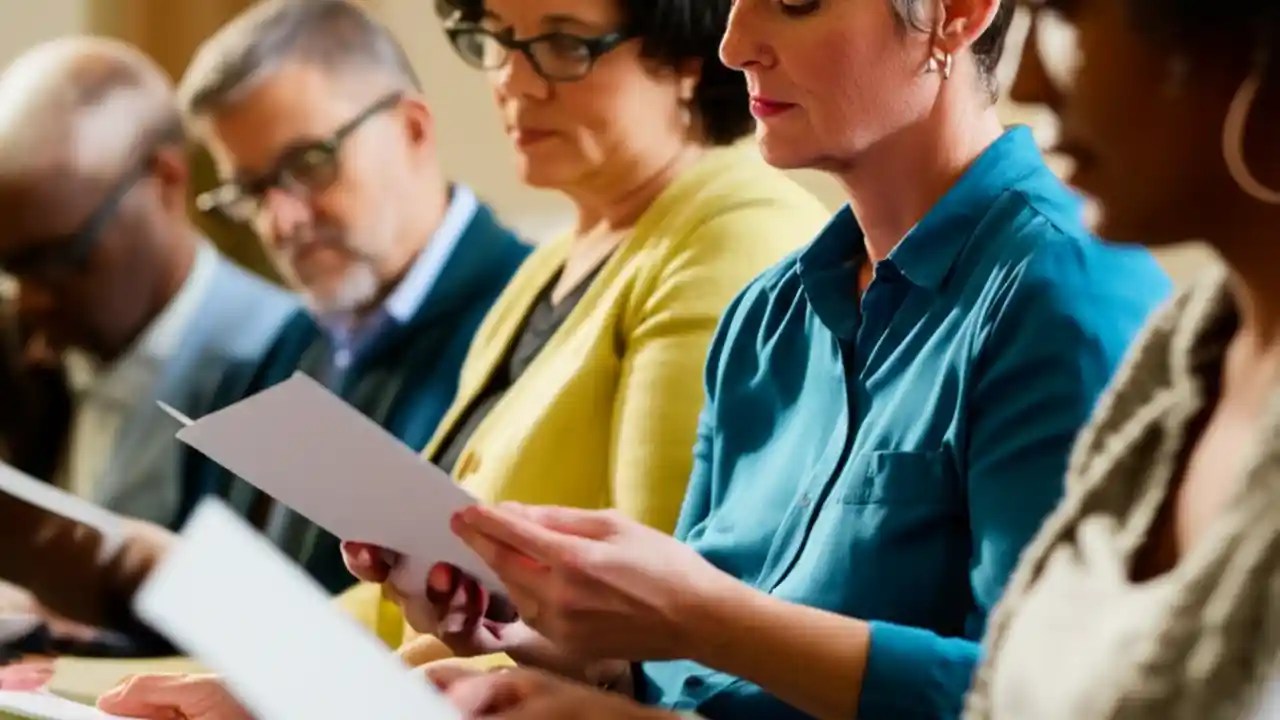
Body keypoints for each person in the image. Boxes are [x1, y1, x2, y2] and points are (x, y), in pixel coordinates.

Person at [98, 0, 1172, 719]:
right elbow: (679, 674)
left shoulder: (1060, 288)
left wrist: (680, 619)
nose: (735, 40)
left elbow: (1041, 697)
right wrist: (550, 643)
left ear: (956, 11)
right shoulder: (768, 316)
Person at [342, 0, 829, 654]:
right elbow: (394, 609)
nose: (513, 79)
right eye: (499, 38)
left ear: (686, 63)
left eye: (564, 45)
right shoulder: (551, 260)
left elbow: (659, 616)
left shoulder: (731, 234)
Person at [172, 0, 531, 595]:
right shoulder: (286, 345)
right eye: (252, 191)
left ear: (412, 128)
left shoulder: (533, 320)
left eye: (308, 164)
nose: (280, 222)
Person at [0, 37, 297, 527]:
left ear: (165, 178)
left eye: (62, 258)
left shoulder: (285, 366)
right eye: (12, 269)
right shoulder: (20, 351)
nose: (32, 300)